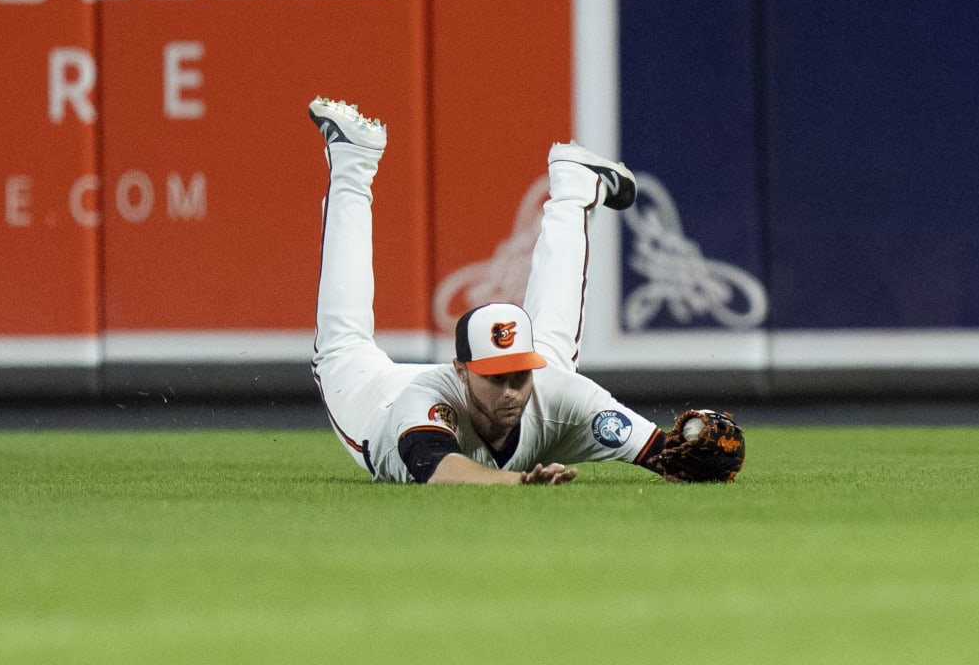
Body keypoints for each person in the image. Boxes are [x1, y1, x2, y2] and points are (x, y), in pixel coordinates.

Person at [307, 96, 733, 485]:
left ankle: (576, 184)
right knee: (340, 347)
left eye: (519, 373)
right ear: (461, 370)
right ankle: (352, 160)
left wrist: (702, 457)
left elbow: (670, 457)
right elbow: (439, 471)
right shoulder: (423, 400)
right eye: (496, 377)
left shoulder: (559, 392)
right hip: (375, 398)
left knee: (556, 359)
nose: (512, 390)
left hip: (544, 385)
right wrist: (518, 482)